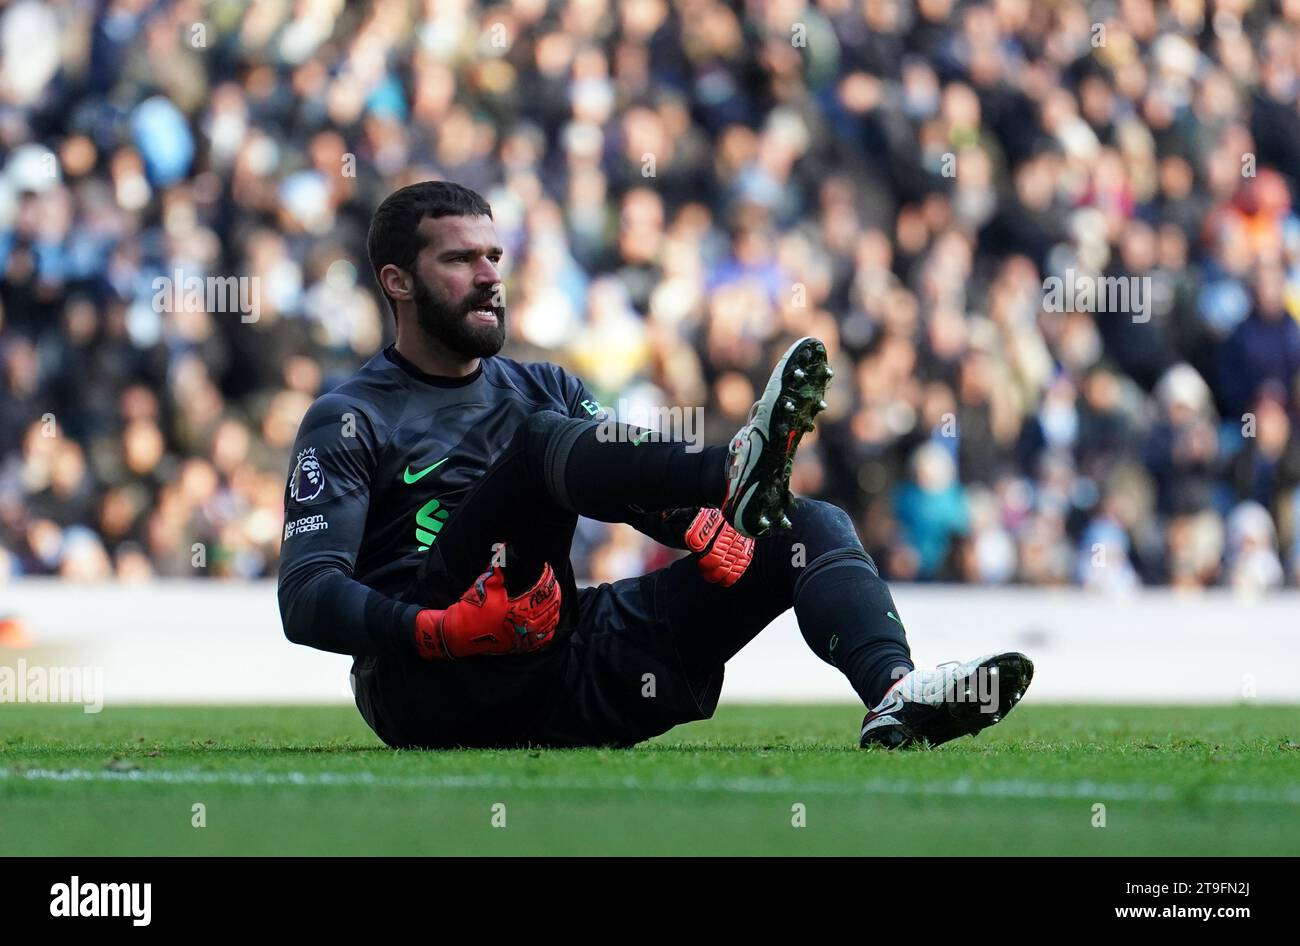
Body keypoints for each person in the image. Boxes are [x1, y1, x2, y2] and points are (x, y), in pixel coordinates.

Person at [276, 180, 1033, 750]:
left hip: (557, 665)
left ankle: (895, 695)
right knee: (543, 442)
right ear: (396, 282)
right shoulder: (350, 416)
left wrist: (696, 525)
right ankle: (730, 472)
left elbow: (629, 485)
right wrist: (433, 629)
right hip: (429, 681)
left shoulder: (545, 382)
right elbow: (306, 598)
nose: (487, 276)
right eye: (459, 260)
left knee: (809, 525)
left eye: (493, 257)